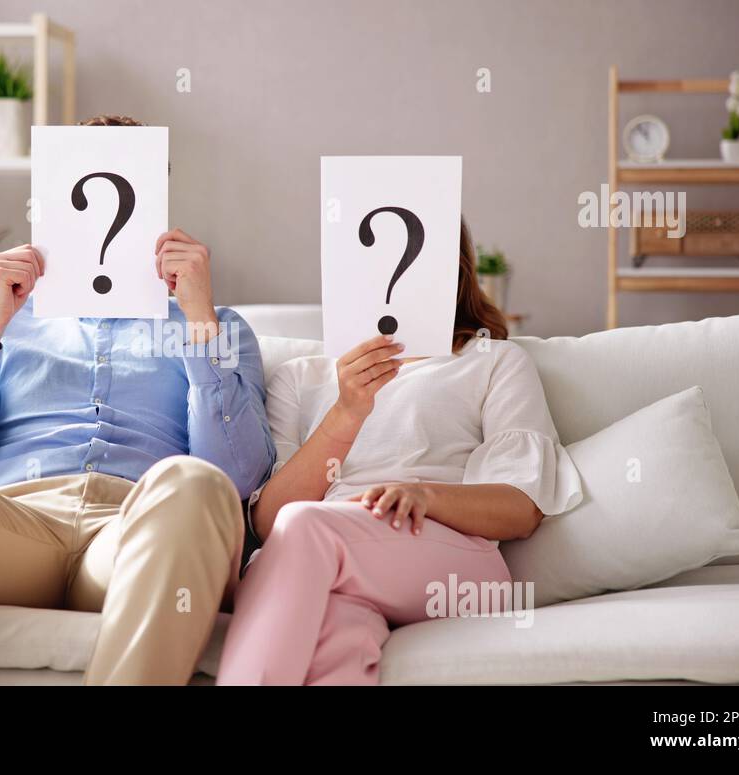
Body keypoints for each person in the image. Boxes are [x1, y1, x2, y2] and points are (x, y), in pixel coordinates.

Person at [0, 114, 275, 686]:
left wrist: (198, 323)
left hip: (132, 535)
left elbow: (234, 481)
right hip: (10, 527)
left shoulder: (215, 326)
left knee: (196, 486)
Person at [216, 219, 582, 685]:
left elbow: (521, 509)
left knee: (303, 526)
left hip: (455, 560)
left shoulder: (492, 361)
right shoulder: (300, 376)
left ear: (452, 272)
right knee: (334, 640)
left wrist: (423, 496)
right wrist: (346, 414)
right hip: (327, 559)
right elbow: (268, 521)